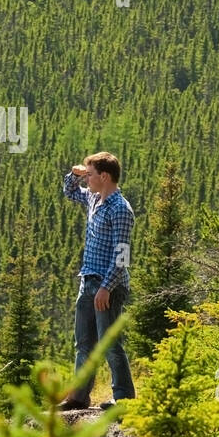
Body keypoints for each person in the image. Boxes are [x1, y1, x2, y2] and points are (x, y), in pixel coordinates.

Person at [58, 151, 135, 410]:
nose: (87, 179)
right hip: (87, 280)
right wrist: (75, 174)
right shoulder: (92, 198)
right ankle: (78, 396)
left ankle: (123, 398)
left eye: (90, 175)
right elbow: (69, 192)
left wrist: (106, 288)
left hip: (108, 286)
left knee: (110, 343)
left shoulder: (121, 209)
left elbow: (122, 256)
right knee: (84, 344)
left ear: (104, 176)